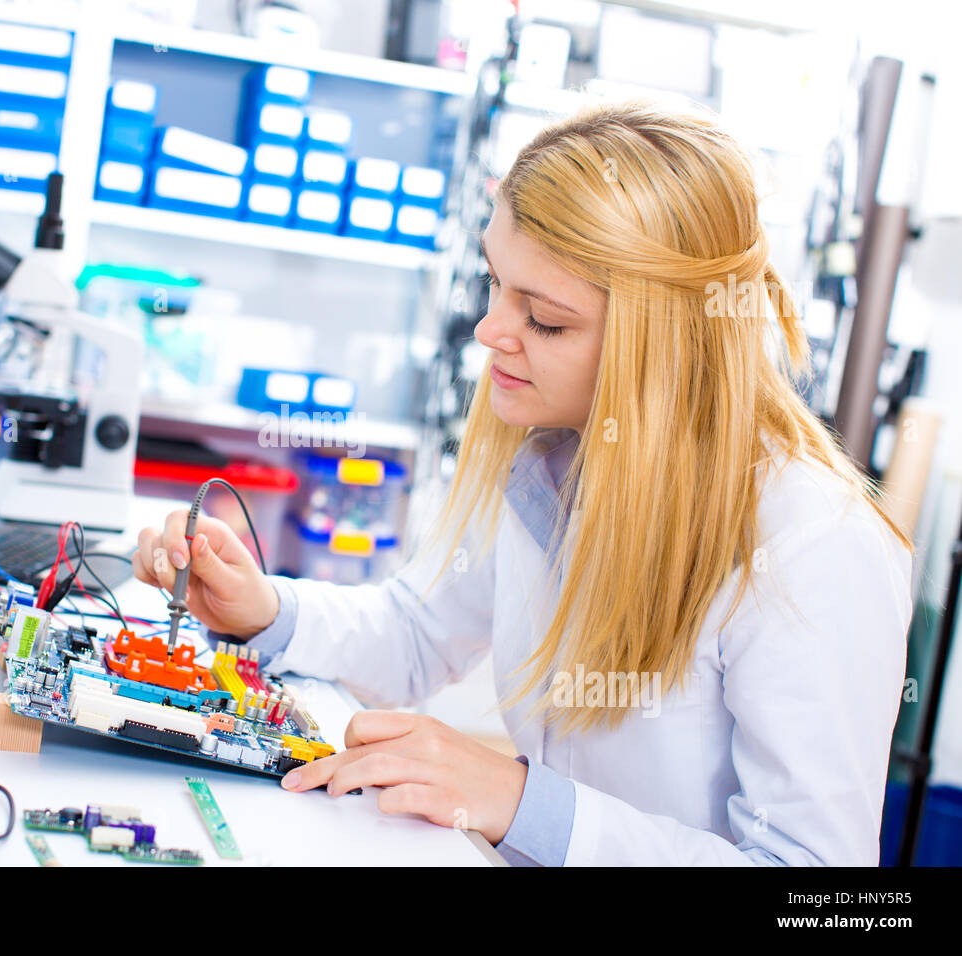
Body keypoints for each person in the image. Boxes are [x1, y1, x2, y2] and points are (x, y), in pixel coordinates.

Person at [132, 101, 913, 866]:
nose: (489, 331)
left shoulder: (817, 548)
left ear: (664, 345)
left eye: (545, 318)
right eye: (496, 284)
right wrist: (265, 607)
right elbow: (416, 634)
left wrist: (520, 803)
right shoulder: (555, 460)